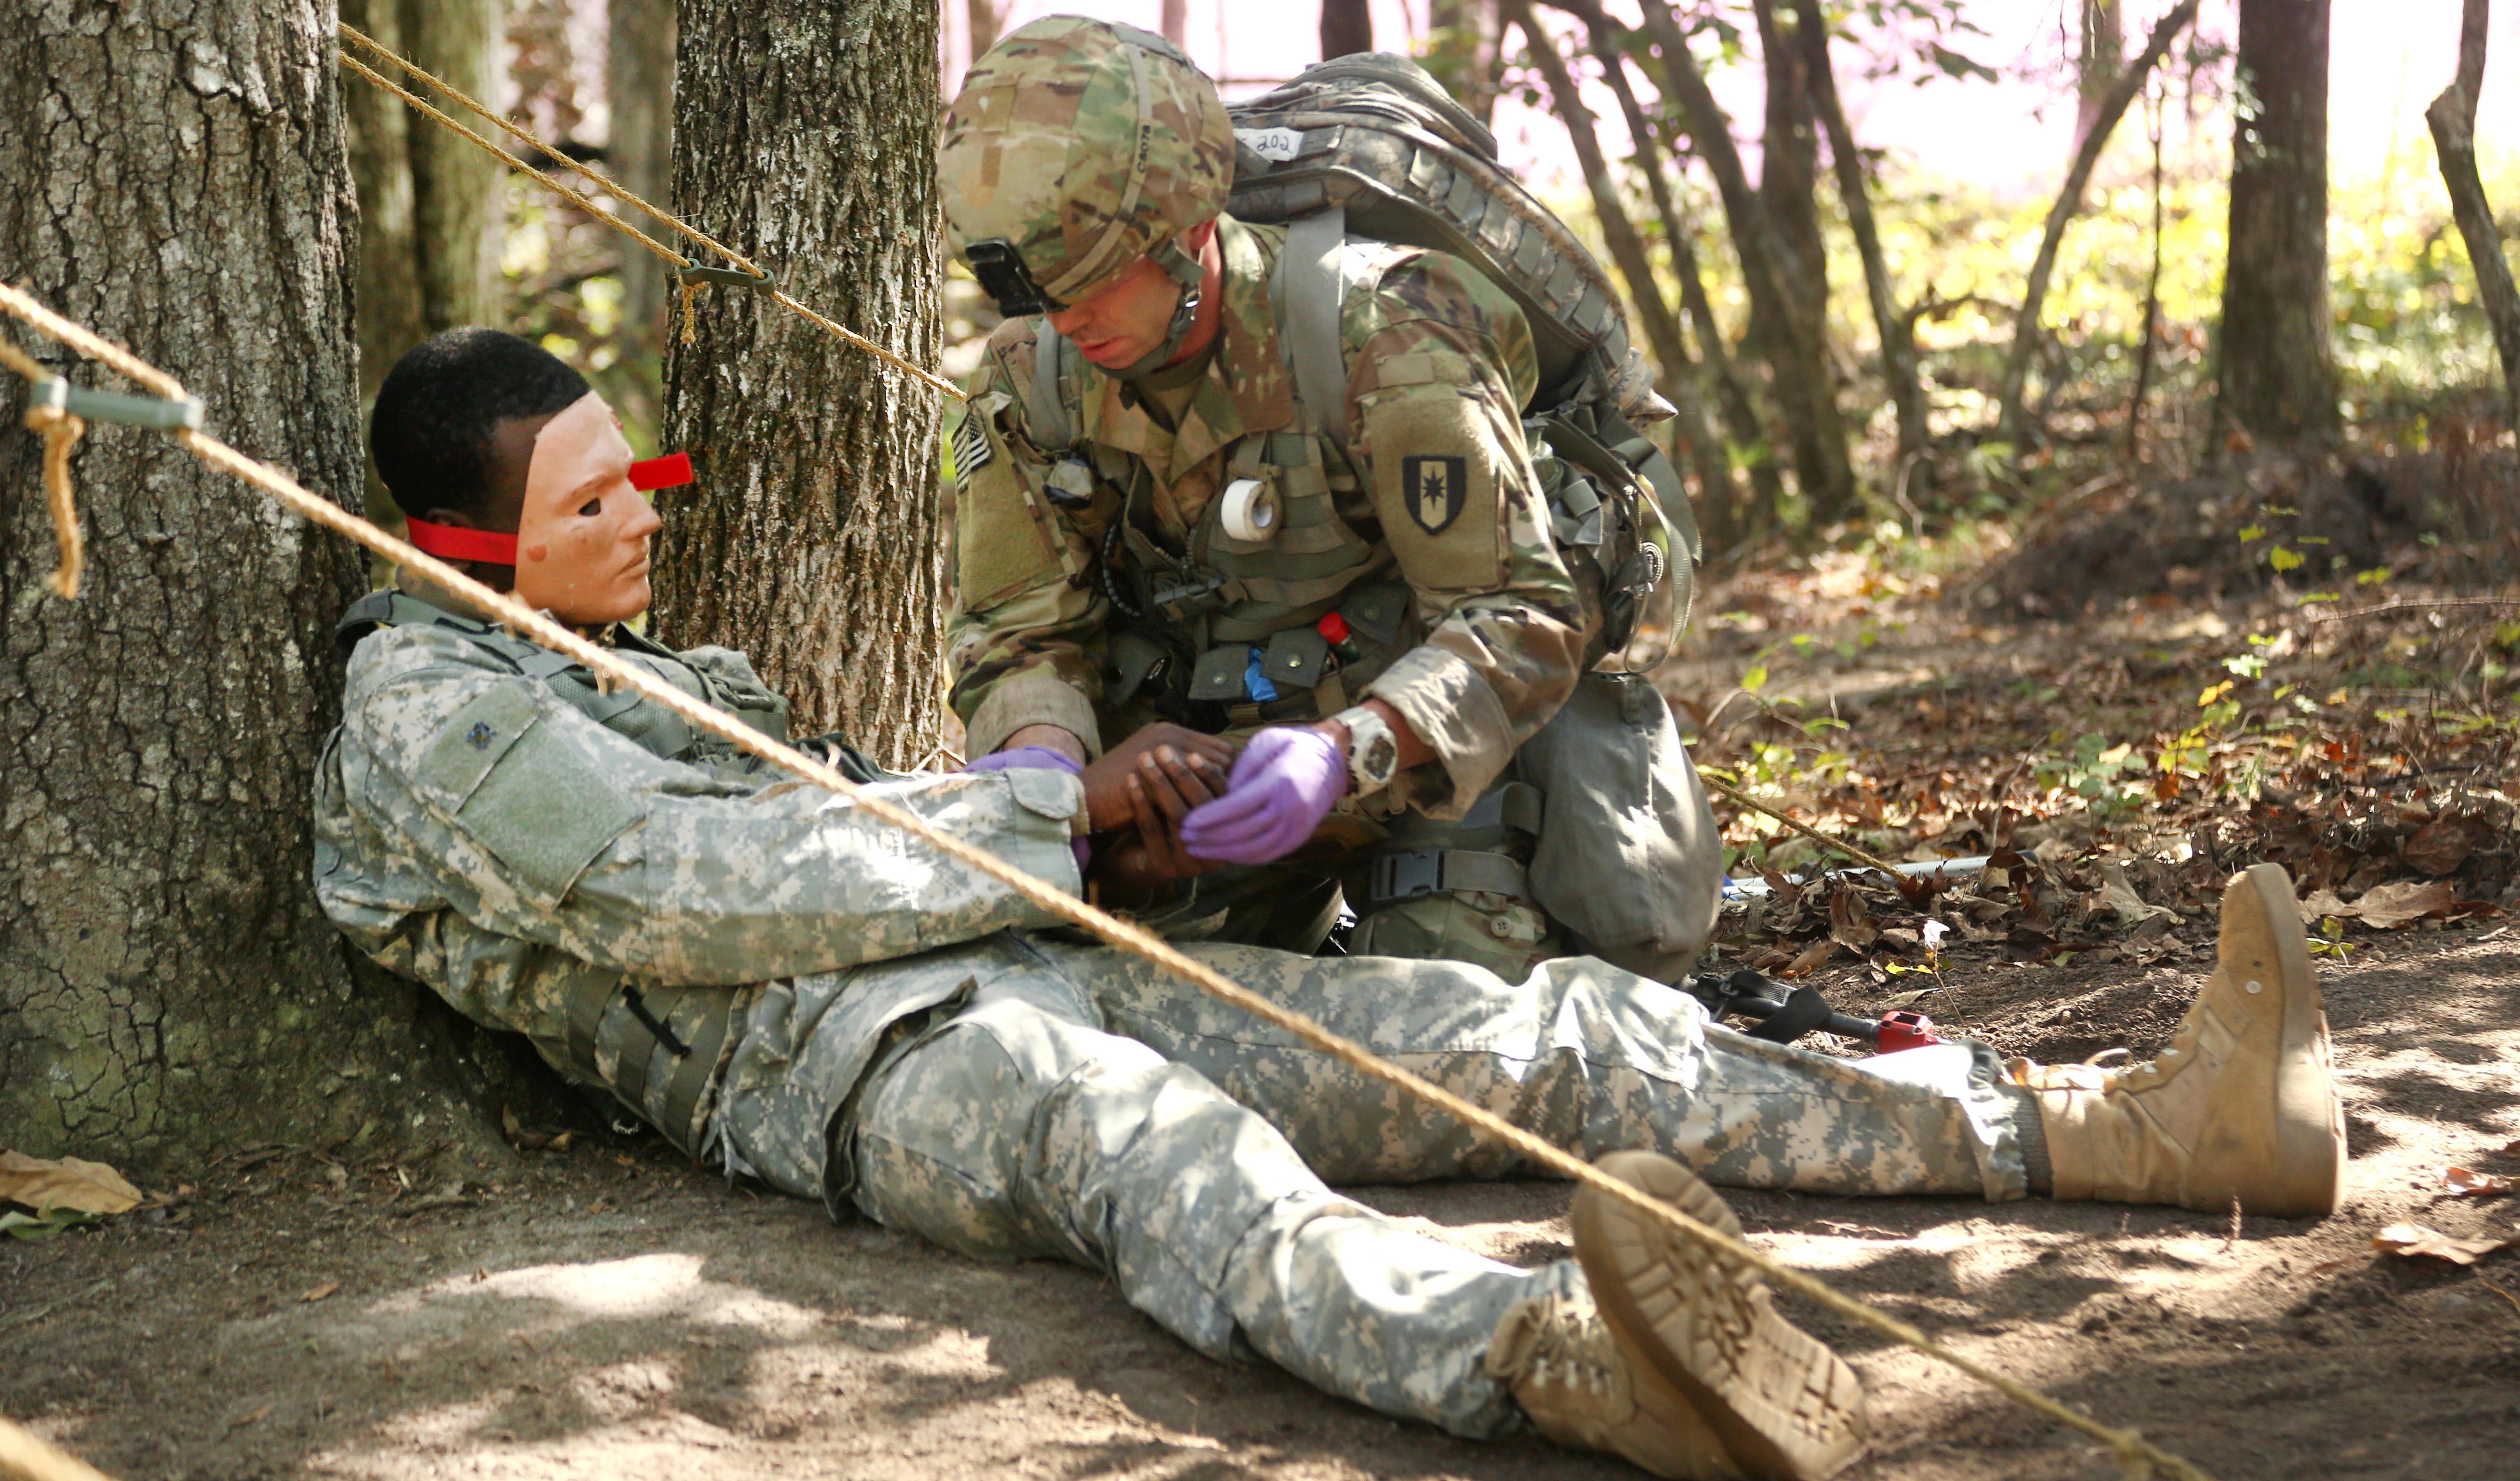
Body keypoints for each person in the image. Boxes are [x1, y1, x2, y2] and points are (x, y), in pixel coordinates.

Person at [316, 329, 2350, 1481]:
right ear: (471, 545)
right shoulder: (427, 706)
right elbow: (692, 898)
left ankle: (2121, 1129)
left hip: (1002, 941)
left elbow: (828, 821)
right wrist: (1047, 816)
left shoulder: (631, 663)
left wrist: (1085, 836)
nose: (641, 519)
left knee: (1512, 1034)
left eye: (634, 477)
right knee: (1162, 1151)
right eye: (592, 504)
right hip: (846, 1059)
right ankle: (1561, 1358)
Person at [935, 16, 1717, 983]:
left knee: (1443, 1047)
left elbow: (1521, 614)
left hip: (1432, 763)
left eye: (1093, 283)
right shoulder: (1032, 379)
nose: (1066, 319)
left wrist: (1346, 753)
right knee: (1094, 1010)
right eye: (1041, 294)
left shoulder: (1387, 334)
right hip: (1214, 798)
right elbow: (1019, 626)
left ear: (1185, 232)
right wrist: (1048, 768)